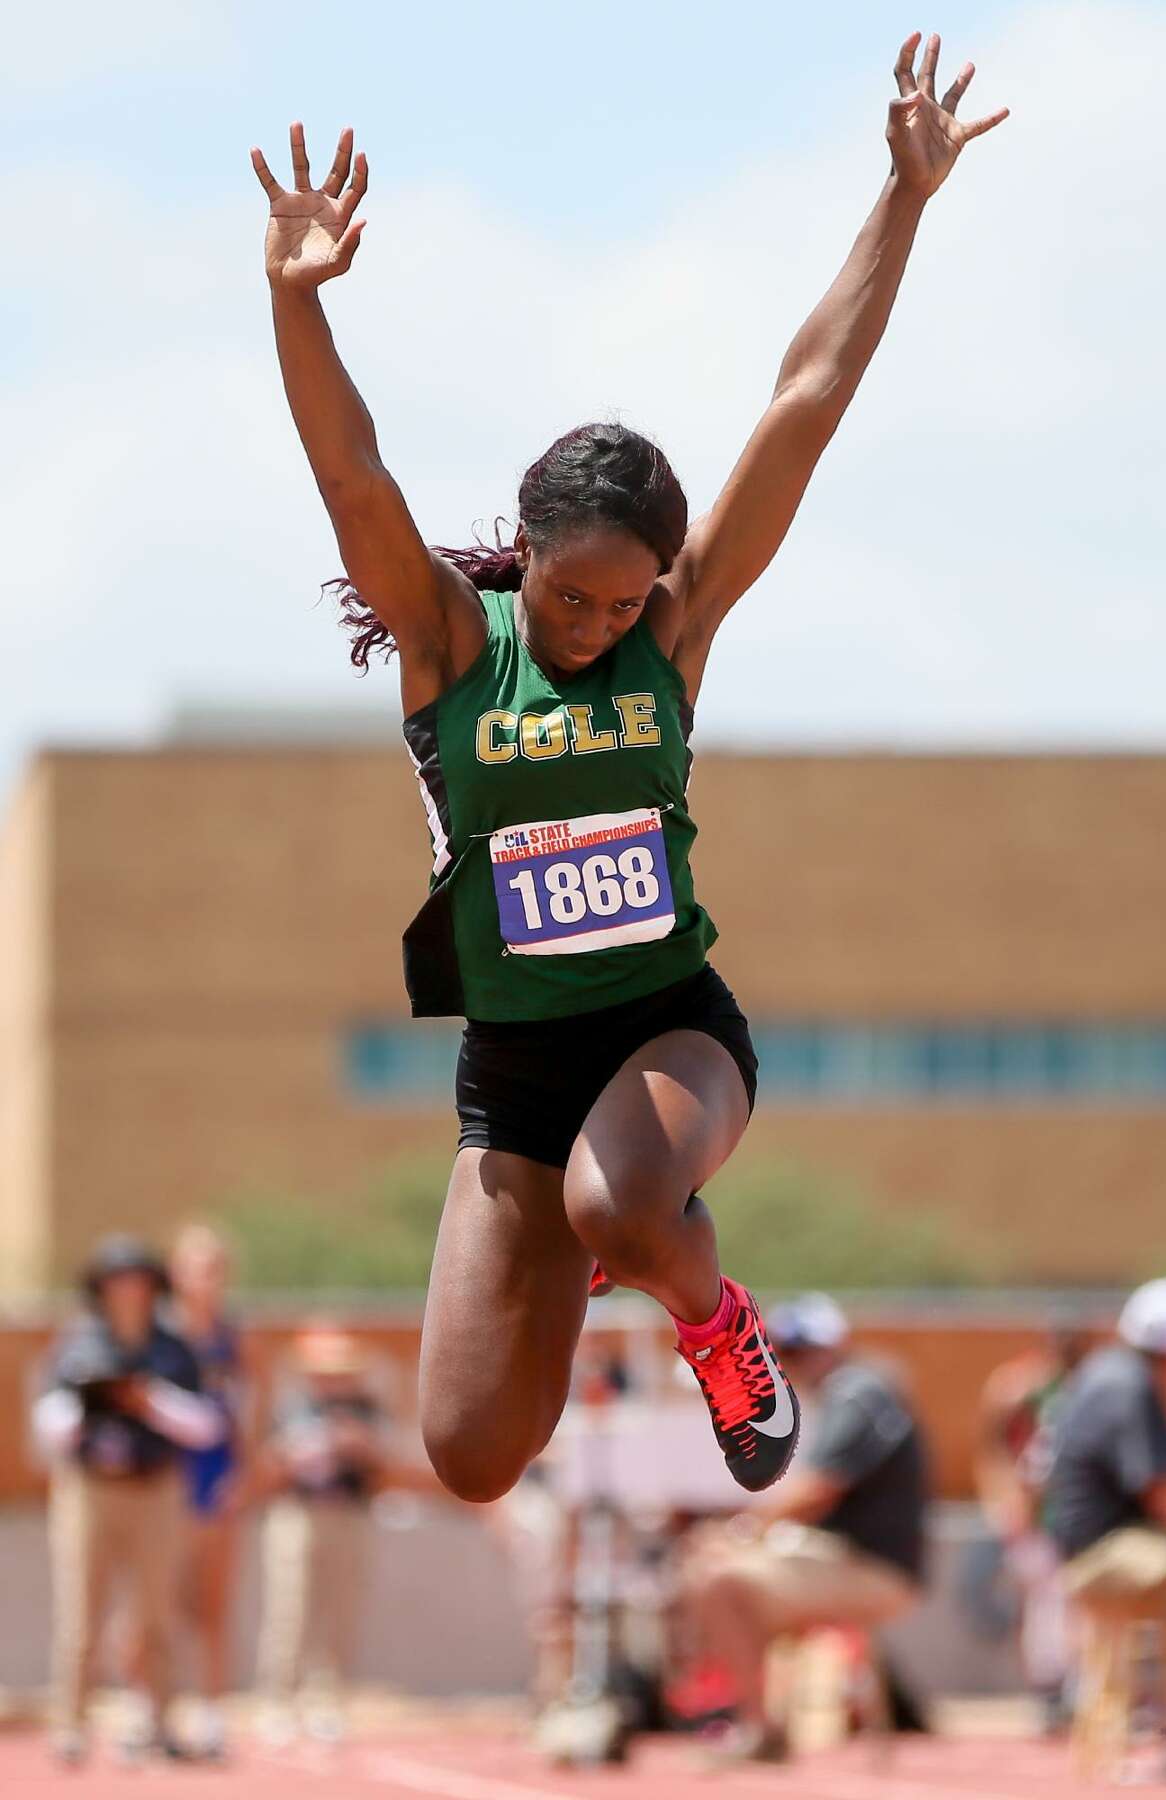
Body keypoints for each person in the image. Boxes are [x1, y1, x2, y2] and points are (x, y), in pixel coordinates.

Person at [250, 34, 1008, 1504]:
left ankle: (716, 1320)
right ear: (521, 556)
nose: (598, 628)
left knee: (623, 1203)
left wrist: (902, 199)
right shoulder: (452, 646)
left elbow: (806, 401)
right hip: (516, 1075)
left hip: (671, 1036)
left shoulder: (674, 632)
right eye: (571, 600)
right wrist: (296, 303)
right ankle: (616, 1243)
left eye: (623, 601)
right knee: (470, 1454)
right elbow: (353, 476)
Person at [681, 1294, 928, 1761]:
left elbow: (818, 1490)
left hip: (870, 1567)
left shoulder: (858, 1392)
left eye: (803, 1349)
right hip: (845, 1557)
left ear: (834, 1346)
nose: (796, 1361)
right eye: (785, 1352)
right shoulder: (853, 1392)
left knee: (717, 1581)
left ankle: (759, 1730)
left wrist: (738, 1530)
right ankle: (755, 1718)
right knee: (717, 1575)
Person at [31, 1236, 224, 1766]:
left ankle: (159, 1719)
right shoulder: (75, 1345)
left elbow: (207, 1424)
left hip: (155, 1488)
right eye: (118, 1280)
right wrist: (89, 1403)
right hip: (90, 1488)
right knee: (81, 1614)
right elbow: (47, 1425)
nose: (128, 1291)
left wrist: (149, 1401)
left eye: (137, 1280)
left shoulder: (173, 1348)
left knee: (156, 1610)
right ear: (100, 1287)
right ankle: (71, 1724)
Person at [1046, 1278, 1166, 1776]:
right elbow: (1161, 1493)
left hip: (1094, 1547)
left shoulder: (1112, 1372)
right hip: (1103, 1554)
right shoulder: (1131, 1384)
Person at [252, 1325, 397, 1744]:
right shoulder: (291, 1409)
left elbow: (386, 1462)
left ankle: (326, 1700)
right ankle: (278, 1699)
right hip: (298, 1513)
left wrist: (357, 1444)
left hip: (349, 1513)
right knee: (289, 1611)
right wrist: (299, 1454)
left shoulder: (366, 1411)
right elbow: (267, 1464)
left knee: (340, 1611)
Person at [975, 1320, 1089, 1729]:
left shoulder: (1085, 1387)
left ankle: (1069, 1688)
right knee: (1047, 1597)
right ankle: (1050, 1691)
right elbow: (992, 1444)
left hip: (1072, 1508)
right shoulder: (1021, 1386)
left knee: (1068, 1599)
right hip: (1034, 1508)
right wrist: (1001, 1496)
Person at [165, 1224, 247, 1759]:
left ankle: (210, 1710)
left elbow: (247, 1415)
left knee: (211, 1603)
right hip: (163, 1486)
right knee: (156, 1606)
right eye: (196, 1266)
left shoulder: (232, 1339)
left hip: (214, 1484)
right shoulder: (158, 1337)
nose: (206, 1278)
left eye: (214, 1266)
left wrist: (242, 1478)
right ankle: (149, 1707)